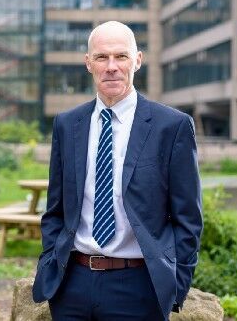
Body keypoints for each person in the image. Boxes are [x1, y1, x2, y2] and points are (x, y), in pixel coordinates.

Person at [32, 21, 203, 320]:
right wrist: (50, 261)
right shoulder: (67, 124)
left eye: (121, 56)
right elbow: (55, 209)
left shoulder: (172, 127)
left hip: (138, 287)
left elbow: (189, 218)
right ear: (89, 64)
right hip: (72, 284)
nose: (111, 66)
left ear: (137, 60)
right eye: (101, 57)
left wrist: (177, 283)